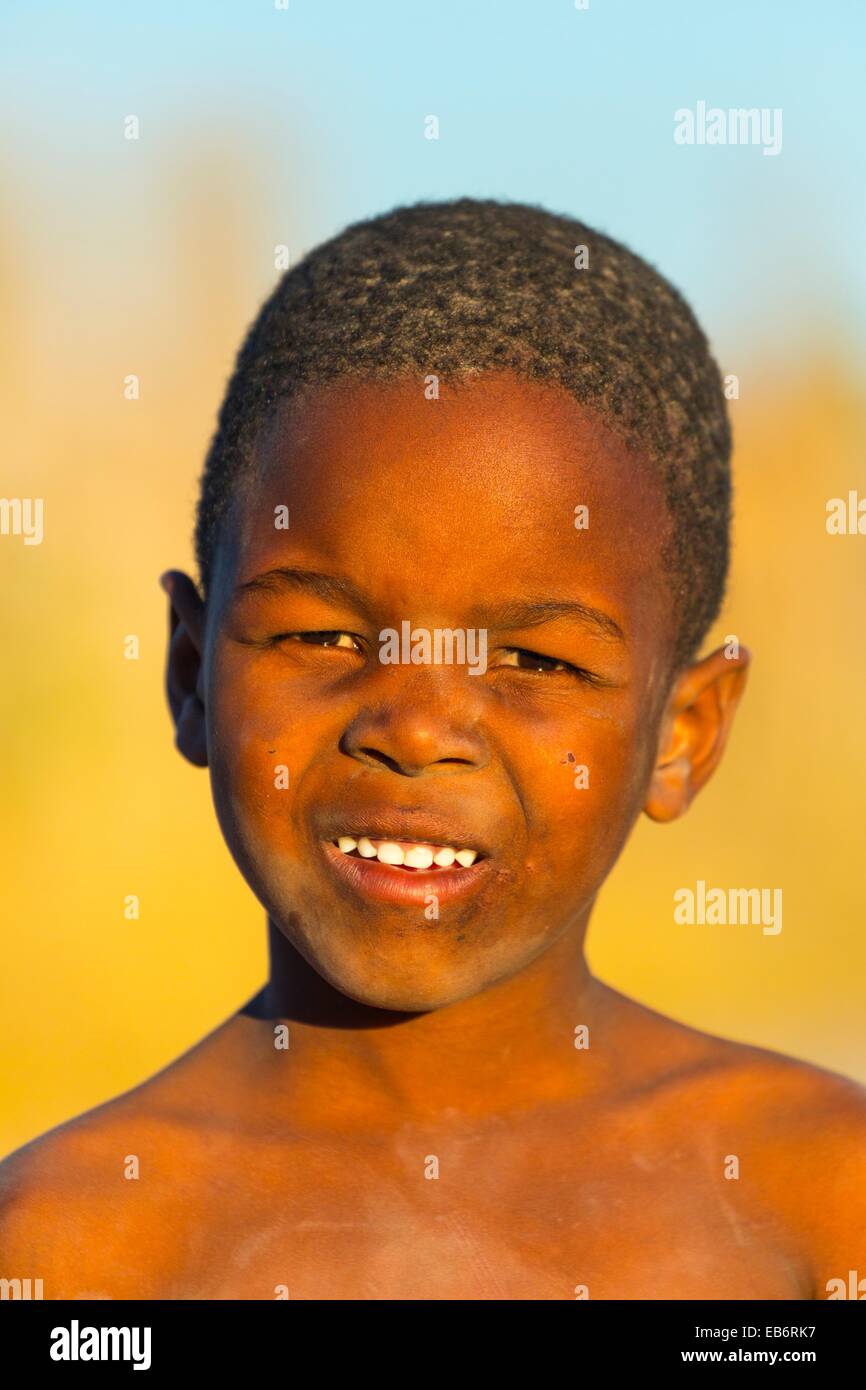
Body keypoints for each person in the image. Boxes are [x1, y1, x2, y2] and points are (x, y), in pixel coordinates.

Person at [2, 199, 864, 1300]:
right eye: (322, 634)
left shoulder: (819, 1201)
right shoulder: (68, 1249)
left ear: (681, 732)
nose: (413, 729)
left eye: (536, 662)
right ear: (190, 672)